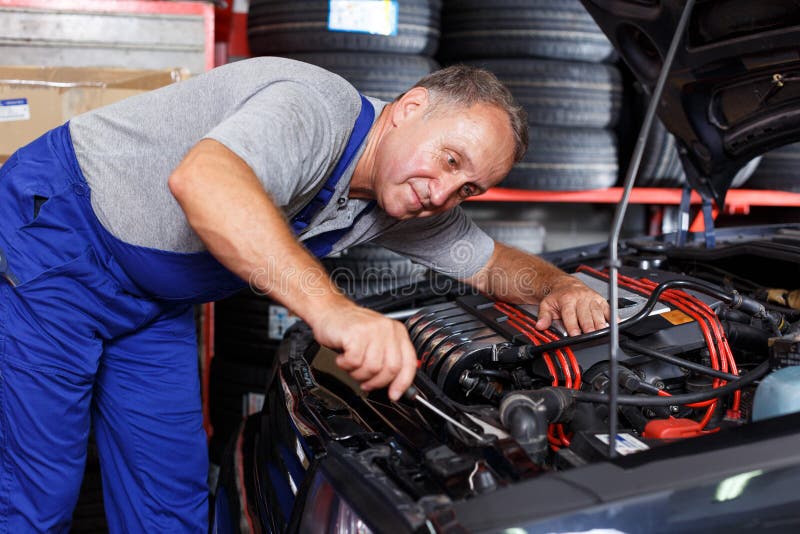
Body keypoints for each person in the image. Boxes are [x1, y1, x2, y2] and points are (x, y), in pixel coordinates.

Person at [0, 57, 609, 531]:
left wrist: (557, 286)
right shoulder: (313, 107)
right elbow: (204, 181)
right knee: (38, 492)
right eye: (450, 159)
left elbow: (489, 262)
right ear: (410, 108)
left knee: (170, 495)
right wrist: (336, 312)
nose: (443, 193)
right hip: (56, 241)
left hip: (151, 299)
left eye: (468, 188)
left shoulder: (402, 195)